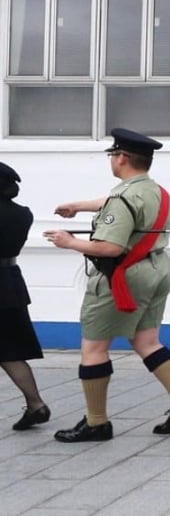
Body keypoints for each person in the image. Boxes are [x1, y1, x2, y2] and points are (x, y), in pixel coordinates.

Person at [43, 128, 170, 442]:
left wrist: (70, 242)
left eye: (113, 155)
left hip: (125, 277)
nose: (112, 161)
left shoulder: (123, 197)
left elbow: (110, 248)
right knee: (147, 342)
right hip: (157, 269)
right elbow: (116, 202)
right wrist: (80, 205)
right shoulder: (155, 190)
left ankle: (96, 422)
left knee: (93, 348)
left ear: (122, 159)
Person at [1, 162, 51, 431]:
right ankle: (35, 404)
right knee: (9, 350)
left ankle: (36, 405)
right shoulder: (24, 215)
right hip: (10, 283)